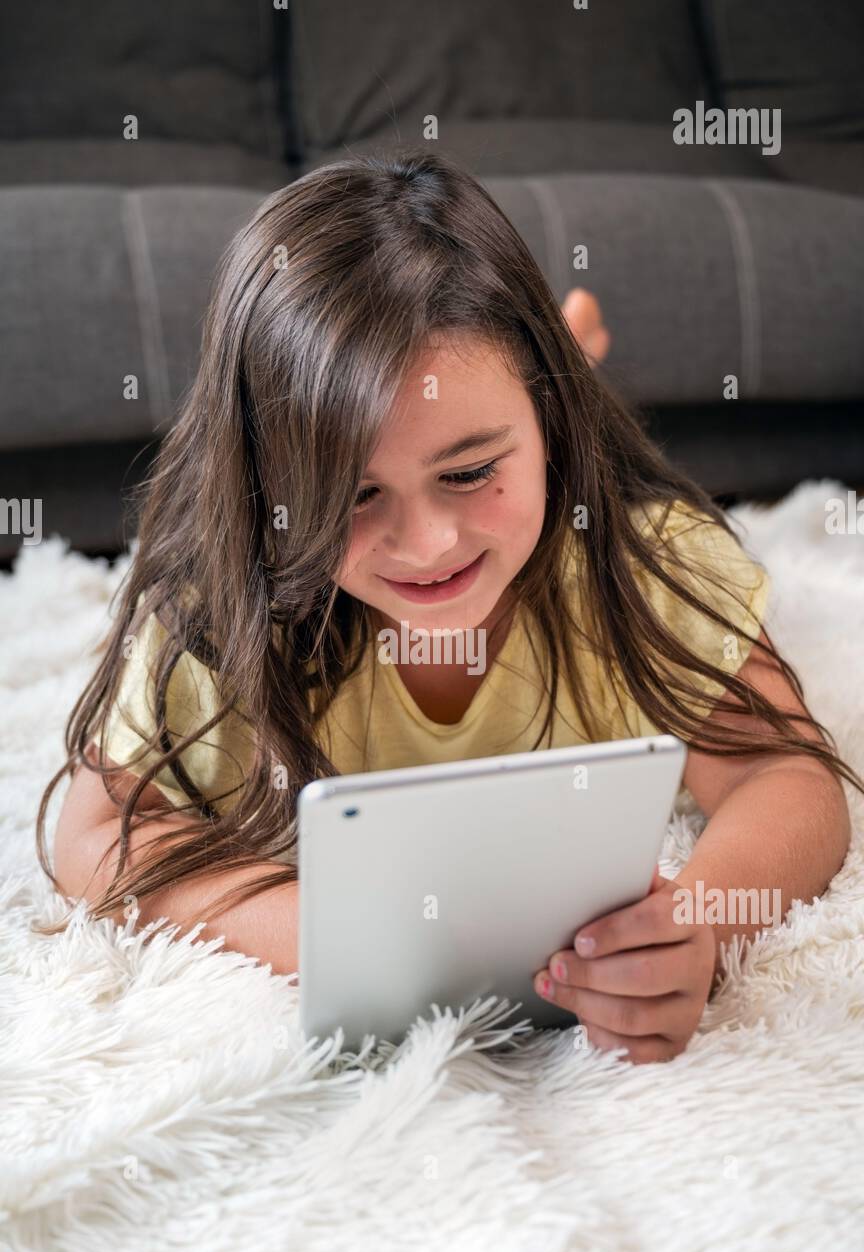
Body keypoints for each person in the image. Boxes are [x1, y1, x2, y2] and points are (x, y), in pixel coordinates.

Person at [37, 149, 856, 1064]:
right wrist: (329, 928)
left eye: (470, 471)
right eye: (354, 496)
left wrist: (698, 924)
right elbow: (96, 833)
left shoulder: (636, 559)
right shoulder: (219, 610)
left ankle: (570, 347)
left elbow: (786, 776)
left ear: (546, 427)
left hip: (551, 400)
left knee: (554, 367)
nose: (428, 545)